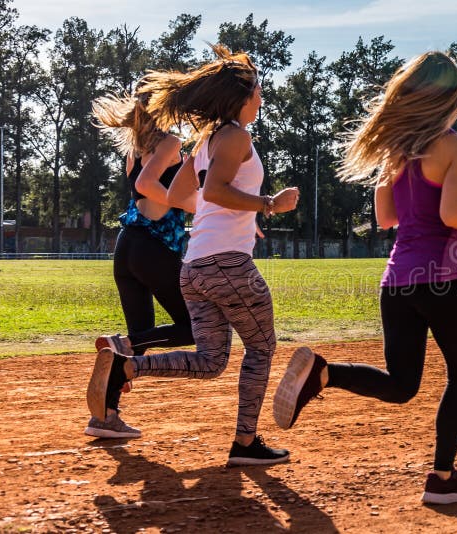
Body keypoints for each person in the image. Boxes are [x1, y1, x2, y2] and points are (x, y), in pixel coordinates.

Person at [272, 51, 457, 503]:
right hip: (443, 279)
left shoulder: (395, 153)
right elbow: (453, 214)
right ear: (448, 98)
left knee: (402, 385)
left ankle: (325, 373)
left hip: (397, 281)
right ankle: (442, 479)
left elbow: (385, 217)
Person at [86, 45, 299, 467]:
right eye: (257, 89)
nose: (261, 97)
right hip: (228, 264)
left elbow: (182, 195)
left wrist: (225, 211)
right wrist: (268, 204)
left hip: (195, 266)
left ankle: (126, 368)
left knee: (211, 360)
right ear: (240, 96)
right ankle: (245, 442)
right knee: (261, 348)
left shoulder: (205, 141)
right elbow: (214, 192)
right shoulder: (236, 135)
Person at [89, 86, 197, 439]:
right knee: (192, 327)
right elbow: (147, 185)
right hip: (152, 248)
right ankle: (124, 348)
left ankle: (104, 418)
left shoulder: (135, 151)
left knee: (141, 337)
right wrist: (188, 203)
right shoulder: (169, 143)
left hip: (127, 248)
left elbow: (140, 186)